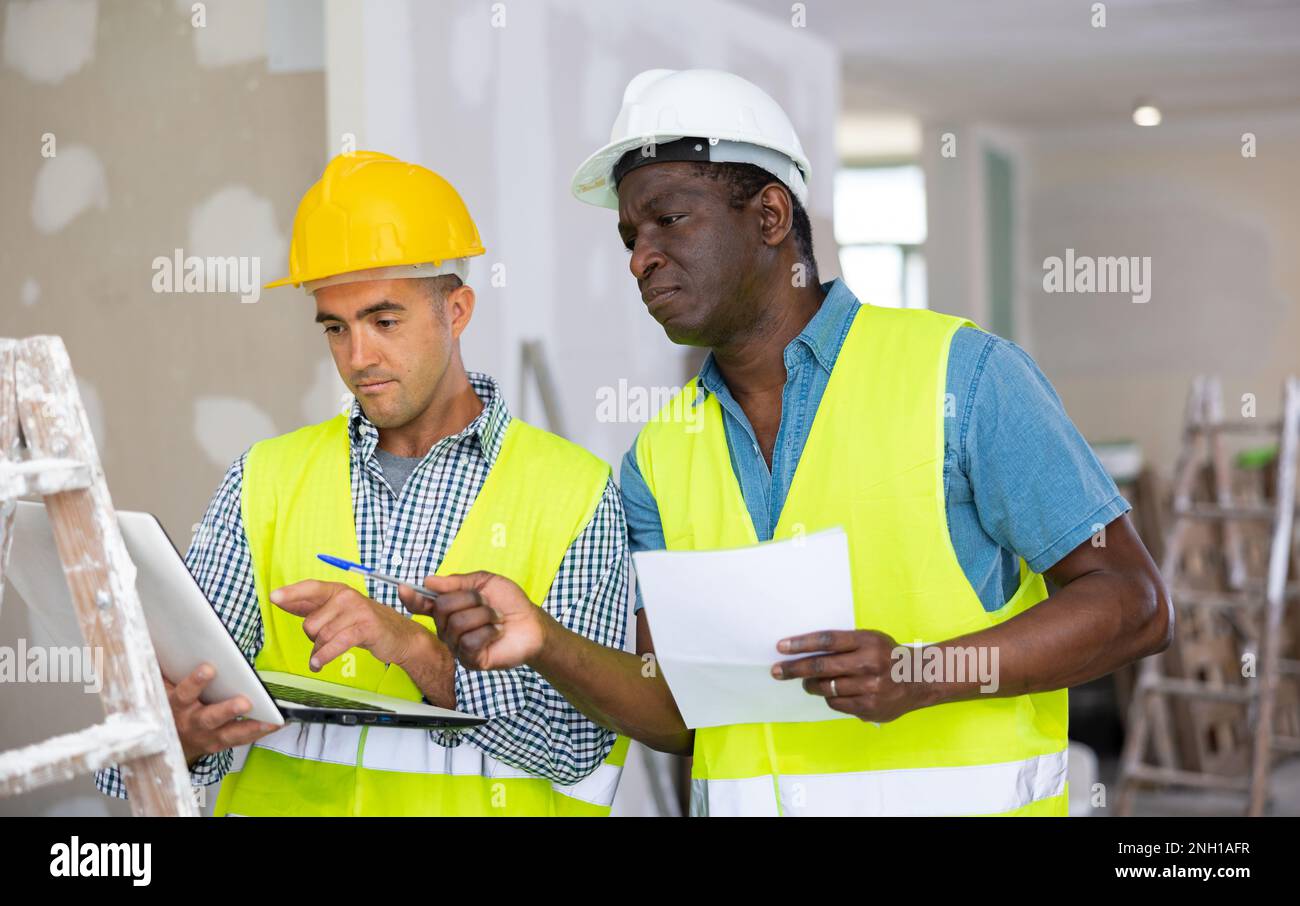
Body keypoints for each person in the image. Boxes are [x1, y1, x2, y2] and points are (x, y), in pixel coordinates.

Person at [404, 70, 1173, 817]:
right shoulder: (659, 457)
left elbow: (1133, 604)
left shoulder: (964, 378)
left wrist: (923, 672)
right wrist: (544, 640)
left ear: (771, 217)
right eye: (630, 235)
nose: (642, 257)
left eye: (669, 220)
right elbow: (678, 710)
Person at [97, 151, 629, 816]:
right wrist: (179, 737)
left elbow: (574, 747)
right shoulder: (263, 478)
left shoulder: (575, 492)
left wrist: (411, 648)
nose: (358, 358)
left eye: (384, 321)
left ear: (456, 310)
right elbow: (143, 748)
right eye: (335, 328)